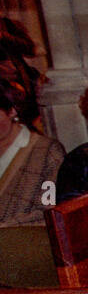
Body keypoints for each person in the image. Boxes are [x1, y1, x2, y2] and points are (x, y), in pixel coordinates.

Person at [0, 81, 64, 228]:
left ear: (12, 111)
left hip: (25, 241)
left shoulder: (47, 152)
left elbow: (49, 209)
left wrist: (6, 226)